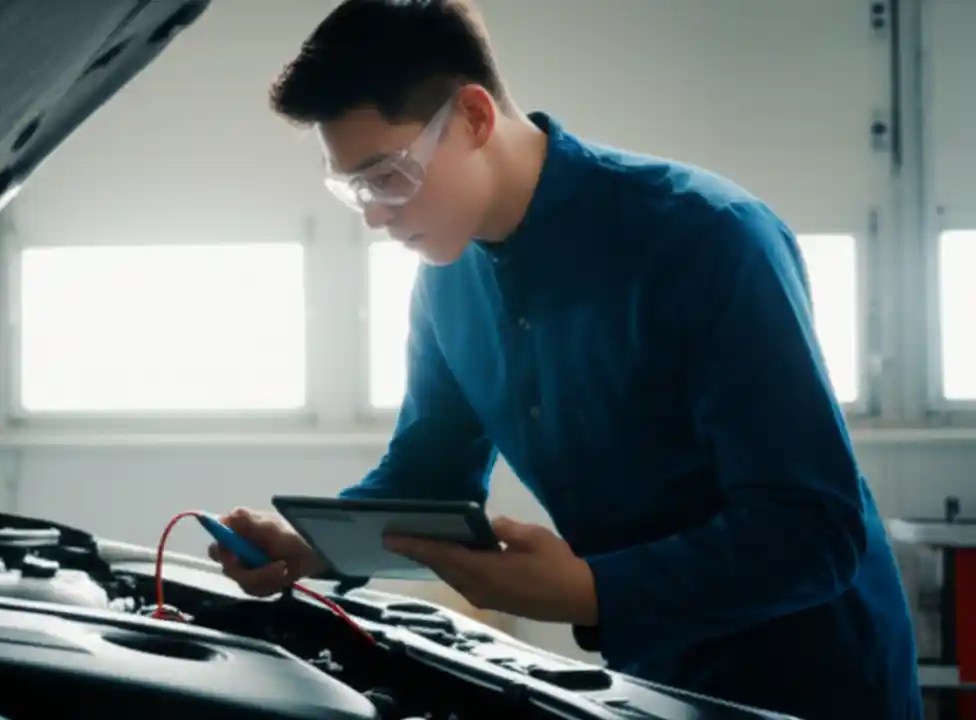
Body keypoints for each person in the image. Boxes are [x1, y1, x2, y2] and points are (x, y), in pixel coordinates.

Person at [208, 1, 922, 717]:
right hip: (649, 679)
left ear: (474, 118)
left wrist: (589, 591)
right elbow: (427, 480)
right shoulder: (445, 282)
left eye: (387, 176)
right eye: (353, 189)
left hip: (815, 681)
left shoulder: (707, 238)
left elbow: (813, 532)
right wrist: (314, 547)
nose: (374, 215)